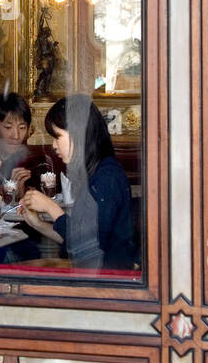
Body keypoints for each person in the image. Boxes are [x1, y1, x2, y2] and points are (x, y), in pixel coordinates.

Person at [19, 93, 135, 270]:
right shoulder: (94, 173)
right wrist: (39, 224)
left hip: (108, 282)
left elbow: (87, 243)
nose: (54, 146)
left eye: (57, 136)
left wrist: (50, 207)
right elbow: (75, 239)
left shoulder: (107, 177)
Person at [0, 91, 50, 197]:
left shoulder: (30, 159)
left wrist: (24, 192)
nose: (16, 136)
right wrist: (4, 190)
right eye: (8, 127)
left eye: (22, 127)